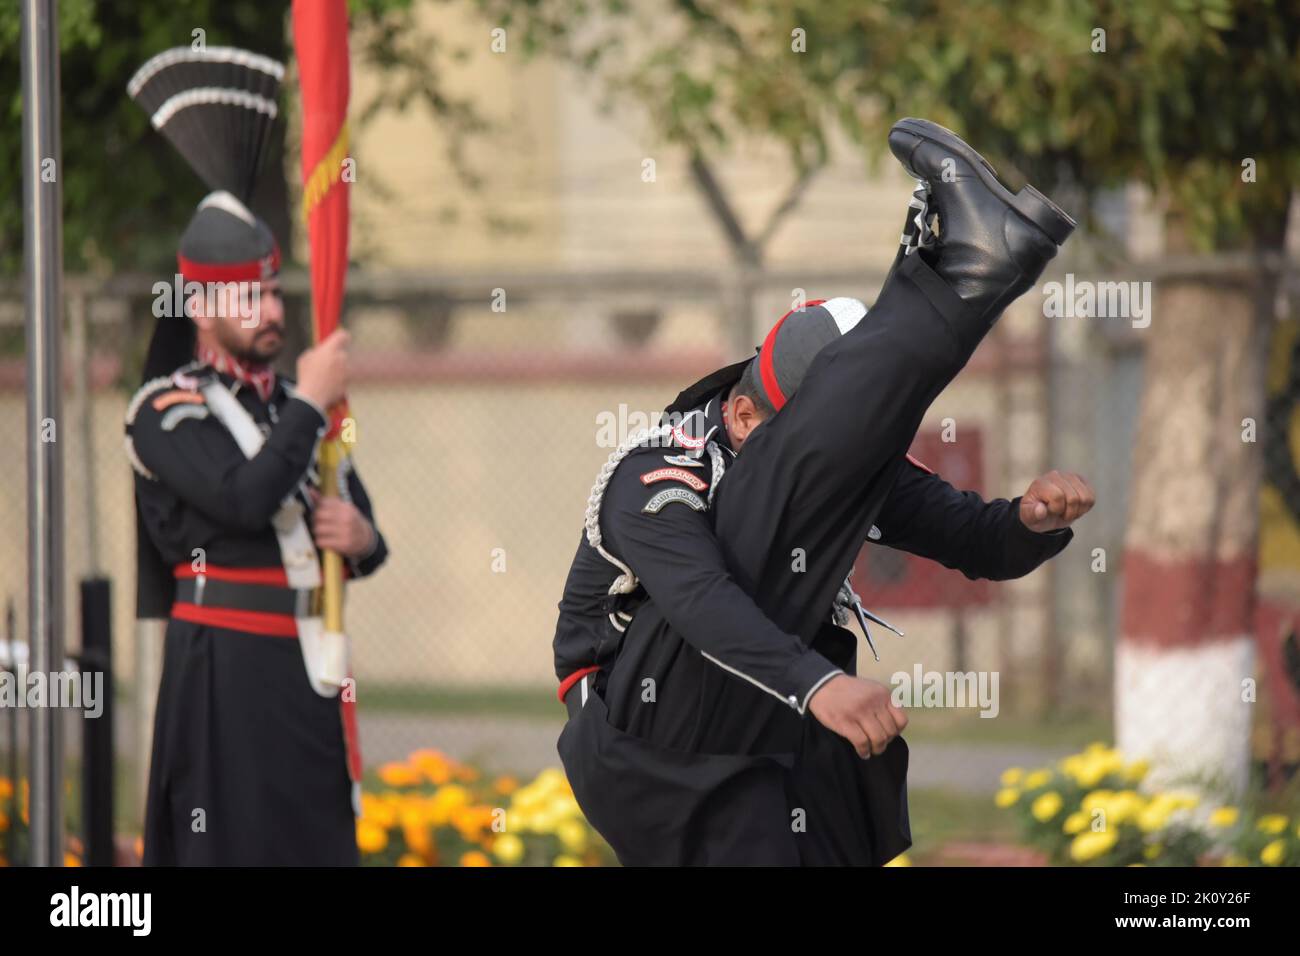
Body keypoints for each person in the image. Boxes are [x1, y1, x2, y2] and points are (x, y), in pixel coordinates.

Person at [553, 118, 1093, 865]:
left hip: (762, 733)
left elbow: (975, 542)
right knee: (785, 503)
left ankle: (972, 267)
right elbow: (700, 597)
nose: (848, 446)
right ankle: (966, 269)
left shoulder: (835, 479)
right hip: (645, 734)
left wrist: (1031, 521)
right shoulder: (655, 471)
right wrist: (816, 685)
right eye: (825, 424)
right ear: (743, 413)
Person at [125, 46, 388, 865]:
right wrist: (310, 399)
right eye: (250, 294)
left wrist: (364, 539)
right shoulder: (165, 411)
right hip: (222, 671)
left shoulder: (287, 403)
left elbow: (358, 524)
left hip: (307, 666)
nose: (271, 310)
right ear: (201, 306)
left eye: (275, 291)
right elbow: (243, 498)